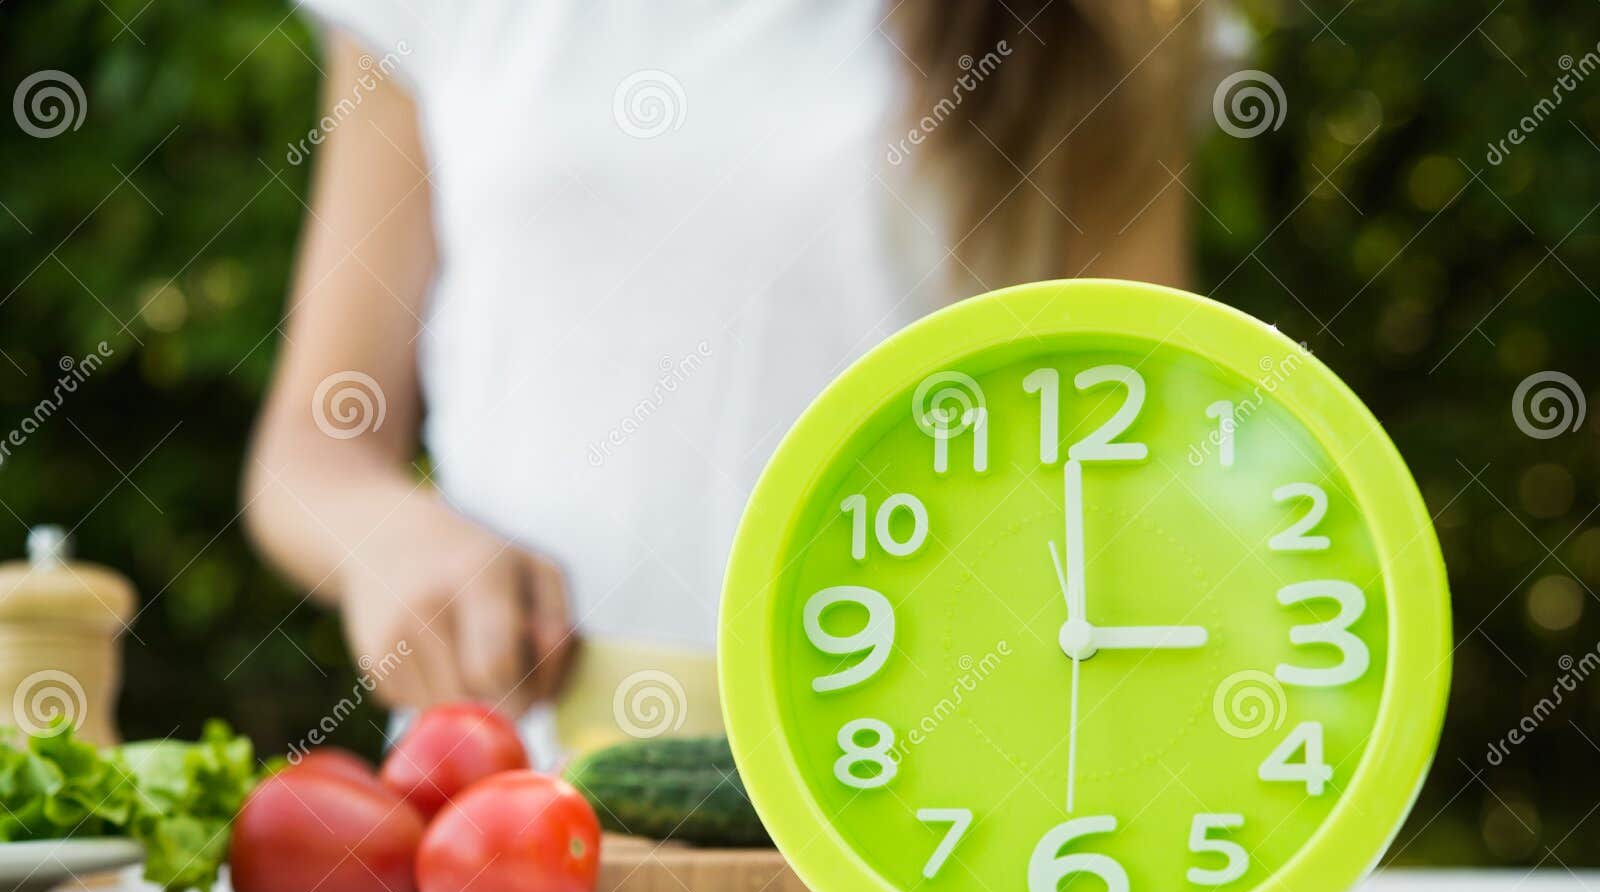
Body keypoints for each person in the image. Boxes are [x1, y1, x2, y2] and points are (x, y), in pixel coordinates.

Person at [245, 0, 1225, 761]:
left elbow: (1134, 456)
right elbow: (313, 450)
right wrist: (392, 540)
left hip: (924, 812)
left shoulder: (1099, 27)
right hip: (505, 823)